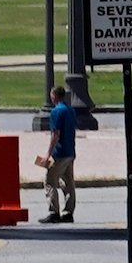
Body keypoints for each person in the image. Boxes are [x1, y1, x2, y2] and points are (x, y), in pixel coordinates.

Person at [42, 84, 78, 223]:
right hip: (71, 151)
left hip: (60, 152)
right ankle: (68, 212)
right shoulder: (70, 110)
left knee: (50, 181)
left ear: (54, 96)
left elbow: (55, 134)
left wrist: (48, 154)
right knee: (68, 181)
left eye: (51, 95)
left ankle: (54, 211)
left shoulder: (56, 112)